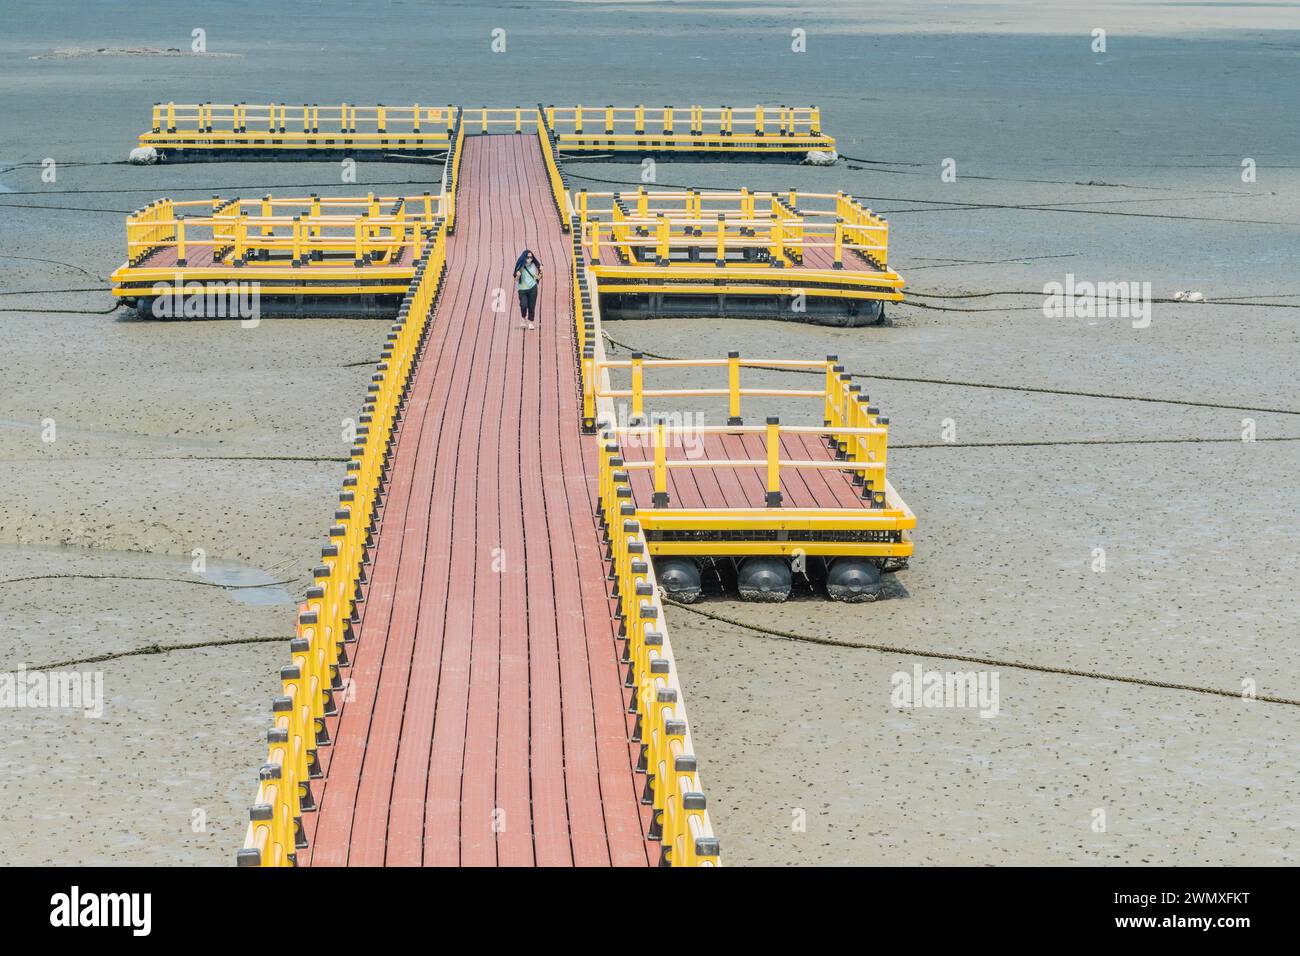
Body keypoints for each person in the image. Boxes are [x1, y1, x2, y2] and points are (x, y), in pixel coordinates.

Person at [512, 249, 543, 330]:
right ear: (524, 257)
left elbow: (538, 278)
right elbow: (516, 279)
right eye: (528, 257)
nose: (530, 258)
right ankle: (523, 318)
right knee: (523, 305)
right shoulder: (521, 266)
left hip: (533, 288)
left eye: (531, 257)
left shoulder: (534, 265)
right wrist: (518, 275)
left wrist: (541, 272)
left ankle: (531, 322)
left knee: (532, 306)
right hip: (522, 289)